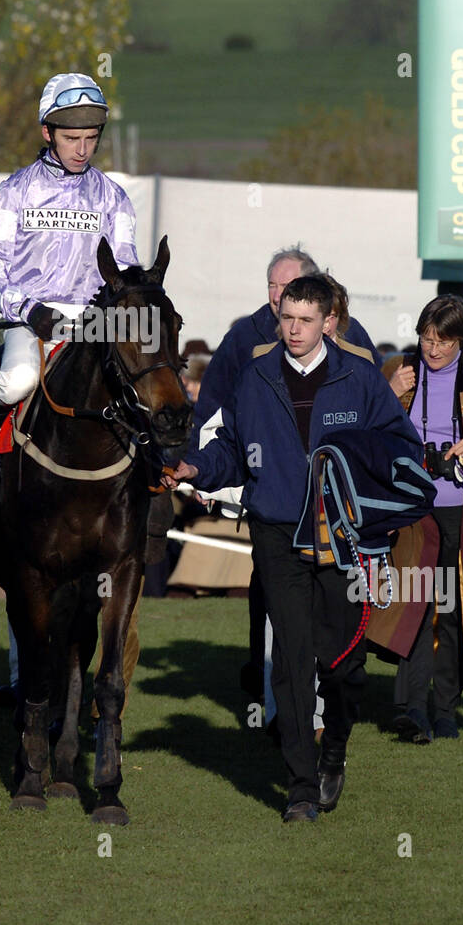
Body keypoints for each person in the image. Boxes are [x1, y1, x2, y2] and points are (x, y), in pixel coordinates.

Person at [163, 274, 423, 822]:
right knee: (291, 656)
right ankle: (301, 787)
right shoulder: (255, 375)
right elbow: (231, 448)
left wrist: (358, 480)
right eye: (287, 318)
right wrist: (196, 469)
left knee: (345, 664)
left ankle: (334, 750)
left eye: (306, 320)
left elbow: (401, 446)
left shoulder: (360, 376)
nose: (295, 329)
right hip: (276, 531)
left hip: (342, 535)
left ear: (329, 322)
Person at [191, 248, 381, 704]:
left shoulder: (355, 347)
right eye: (273, 287)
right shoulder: (246, 339)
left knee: (333, 620)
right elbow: (215, 409)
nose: (278, 297)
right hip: (273, 506)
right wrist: (200, 467)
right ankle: (276, 701)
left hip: (335, 516)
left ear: (323, 310)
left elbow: (380, 422)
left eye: (288, 287)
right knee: (274, 602)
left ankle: (329, 701)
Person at [0, 71, 139, 496]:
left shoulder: (114, 198)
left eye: (91, 138)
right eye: (71, 139)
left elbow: (124, 269)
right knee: (18, 380)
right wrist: (27, 309)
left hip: (94, 324)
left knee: (141, 382)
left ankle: (155, 477)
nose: (82, 150)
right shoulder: (14, 192)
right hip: (33, 320)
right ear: (48, 133)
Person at [368, 296, 463, 740]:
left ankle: (445, 710)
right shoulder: (398, 369)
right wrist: (389, 393)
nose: (433, 350)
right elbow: (364, 428)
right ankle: (413, 708)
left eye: (444, 341)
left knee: (454, 609)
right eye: (426, 339)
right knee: (414, 604)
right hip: (410, 508)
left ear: (461, 340)